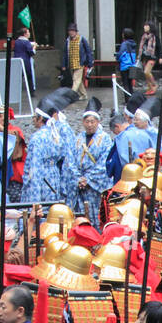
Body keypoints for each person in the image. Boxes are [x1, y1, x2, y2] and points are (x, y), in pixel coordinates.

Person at [74, 96, 112, 224]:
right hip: (80, 183)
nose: (89, 125)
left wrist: (88, 179)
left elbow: (104, 162)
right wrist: (78, 178)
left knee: (97, 214)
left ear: (97, 122)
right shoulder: (78, 138)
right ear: (83, 122)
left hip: (95, 185)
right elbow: (71, 161)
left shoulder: (105, 138)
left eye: (92, 121)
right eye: (87, 121)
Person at [63, 22, 92, 94]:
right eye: (70, 31)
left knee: (75, 79)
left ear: (76, 31)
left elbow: (88, 51)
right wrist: (63, 64)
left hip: (80, 63)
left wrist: (90, 62)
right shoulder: (68, 41)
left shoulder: (81, 39)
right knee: (78, 80)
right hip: (71, 64)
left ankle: (71, 95)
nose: (71, 32)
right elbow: (65, 53)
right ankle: (83, 94)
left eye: (73, 31)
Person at [138, 21, 162, 96]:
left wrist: (161, 57)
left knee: (146, 72)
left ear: (150, 27)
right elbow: (141, 47)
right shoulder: (144, 37)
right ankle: (149, 87)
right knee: (146, 74)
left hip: (152, 56)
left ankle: (154, 85)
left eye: (146, 26)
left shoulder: (155, 37)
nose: (144, 27)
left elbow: (159, 47)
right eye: (144, 26)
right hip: (144, 57)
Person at [13, 27, 36, 97]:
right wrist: (34, 47)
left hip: (17, 61)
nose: (29, 34)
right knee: (29, 77)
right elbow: (31, 52)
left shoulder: (16, 42)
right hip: (26, 62)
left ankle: (15, 92)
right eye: (28, 32)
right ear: (25, 34)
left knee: (18, 78)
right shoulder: (26, 41)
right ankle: (31, 92)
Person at [115, 28, 136, 93]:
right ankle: (131, 99)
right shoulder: (133, 44)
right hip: (132, 66)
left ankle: (127, 100)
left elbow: (121, 54)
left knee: (125, 84)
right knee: (130, 84)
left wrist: (117, 57)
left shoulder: (124, 44)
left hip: (125, 66)